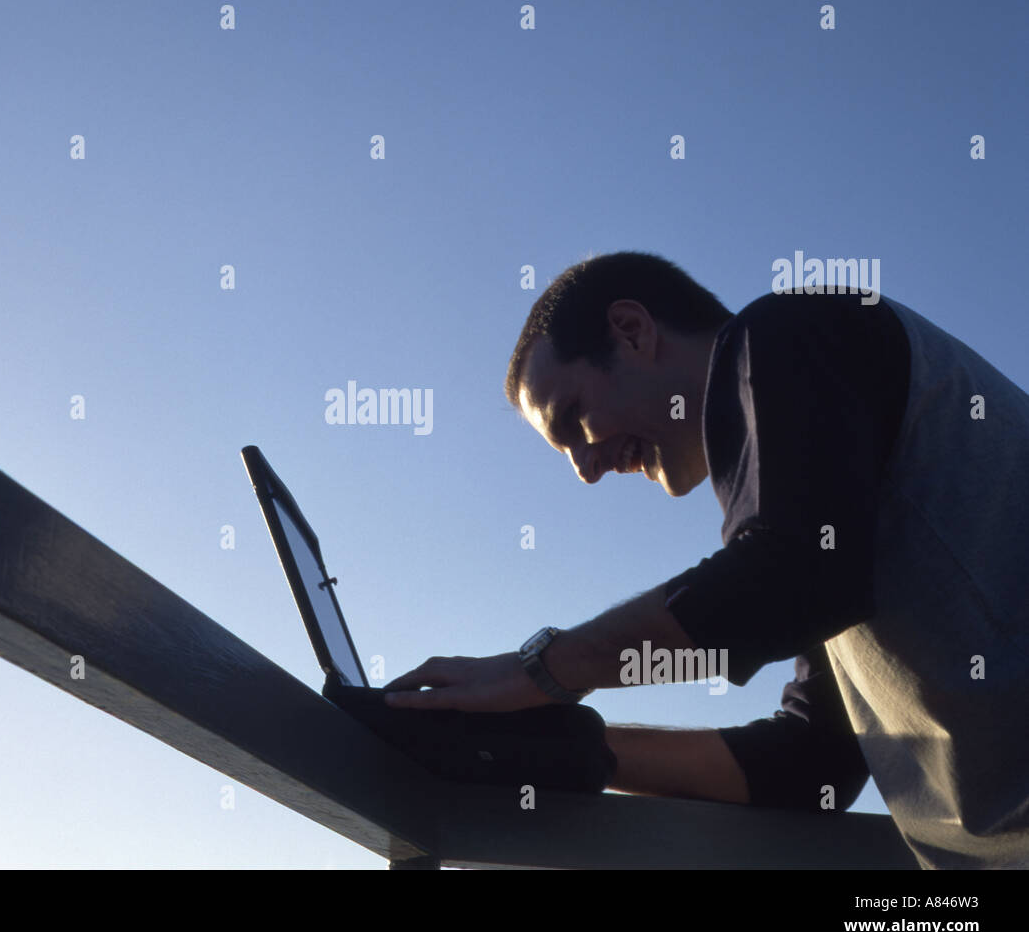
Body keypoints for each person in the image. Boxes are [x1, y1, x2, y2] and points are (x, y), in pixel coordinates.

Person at [382, 251, 1029, 869]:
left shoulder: (782, 333)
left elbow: (787, 574)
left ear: (632, 330)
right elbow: (813, 761)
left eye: (572, 418)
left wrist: (538, 670)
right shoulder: (825, 504)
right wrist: (576, 744)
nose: (584, 469)